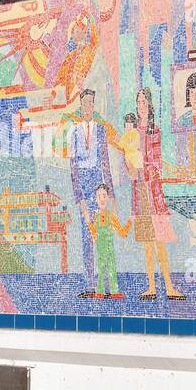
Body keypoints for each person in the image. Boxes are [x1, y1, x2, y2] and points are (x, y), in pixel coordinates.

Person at [132, 87, 184, 300]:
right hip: (140, 191)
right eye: (139, 102)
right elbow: (129, 163)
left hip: (153, 191)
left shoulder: (155, 131)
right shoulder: (132, 132)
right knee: (147, 242)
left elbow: (156, 163)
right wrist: (133, 168)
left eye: (144, 102)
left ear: (150, 105)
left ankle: (169, 286)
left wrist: (145, 170)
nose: (141, 106)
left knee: (160, 240)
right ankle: (151, 286)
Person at [67, 89, 114, 298]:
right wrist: (80, 199)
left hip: (98, 185)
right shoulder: (74, 132)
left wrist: (110, 193)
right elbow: (73, 167)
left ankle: (105, 284)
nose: (88, 107)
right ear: (80, 106)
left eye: (91, 103)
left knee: (103, 234)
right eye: (85, 103)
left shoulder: (101, 131)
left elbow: (105, 162)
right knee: (87, 235)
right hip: (84, 186)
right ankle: (90, 284)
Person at [87, 184, 130, 299]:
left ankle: (114, 292)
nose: (101, 199)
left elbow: (122, 233)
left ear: (108, 198)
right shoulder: (96, 217)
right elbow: (94, 233)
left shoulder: (111, 216)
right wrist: (89, 224)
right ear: (96, 199)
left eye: (104, 196)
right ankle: (99, 292)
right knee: (101, 269)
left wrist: (130, 221)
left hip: (109, 249)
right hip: (101, 249)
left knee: (111, 268)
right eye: (99, 196)